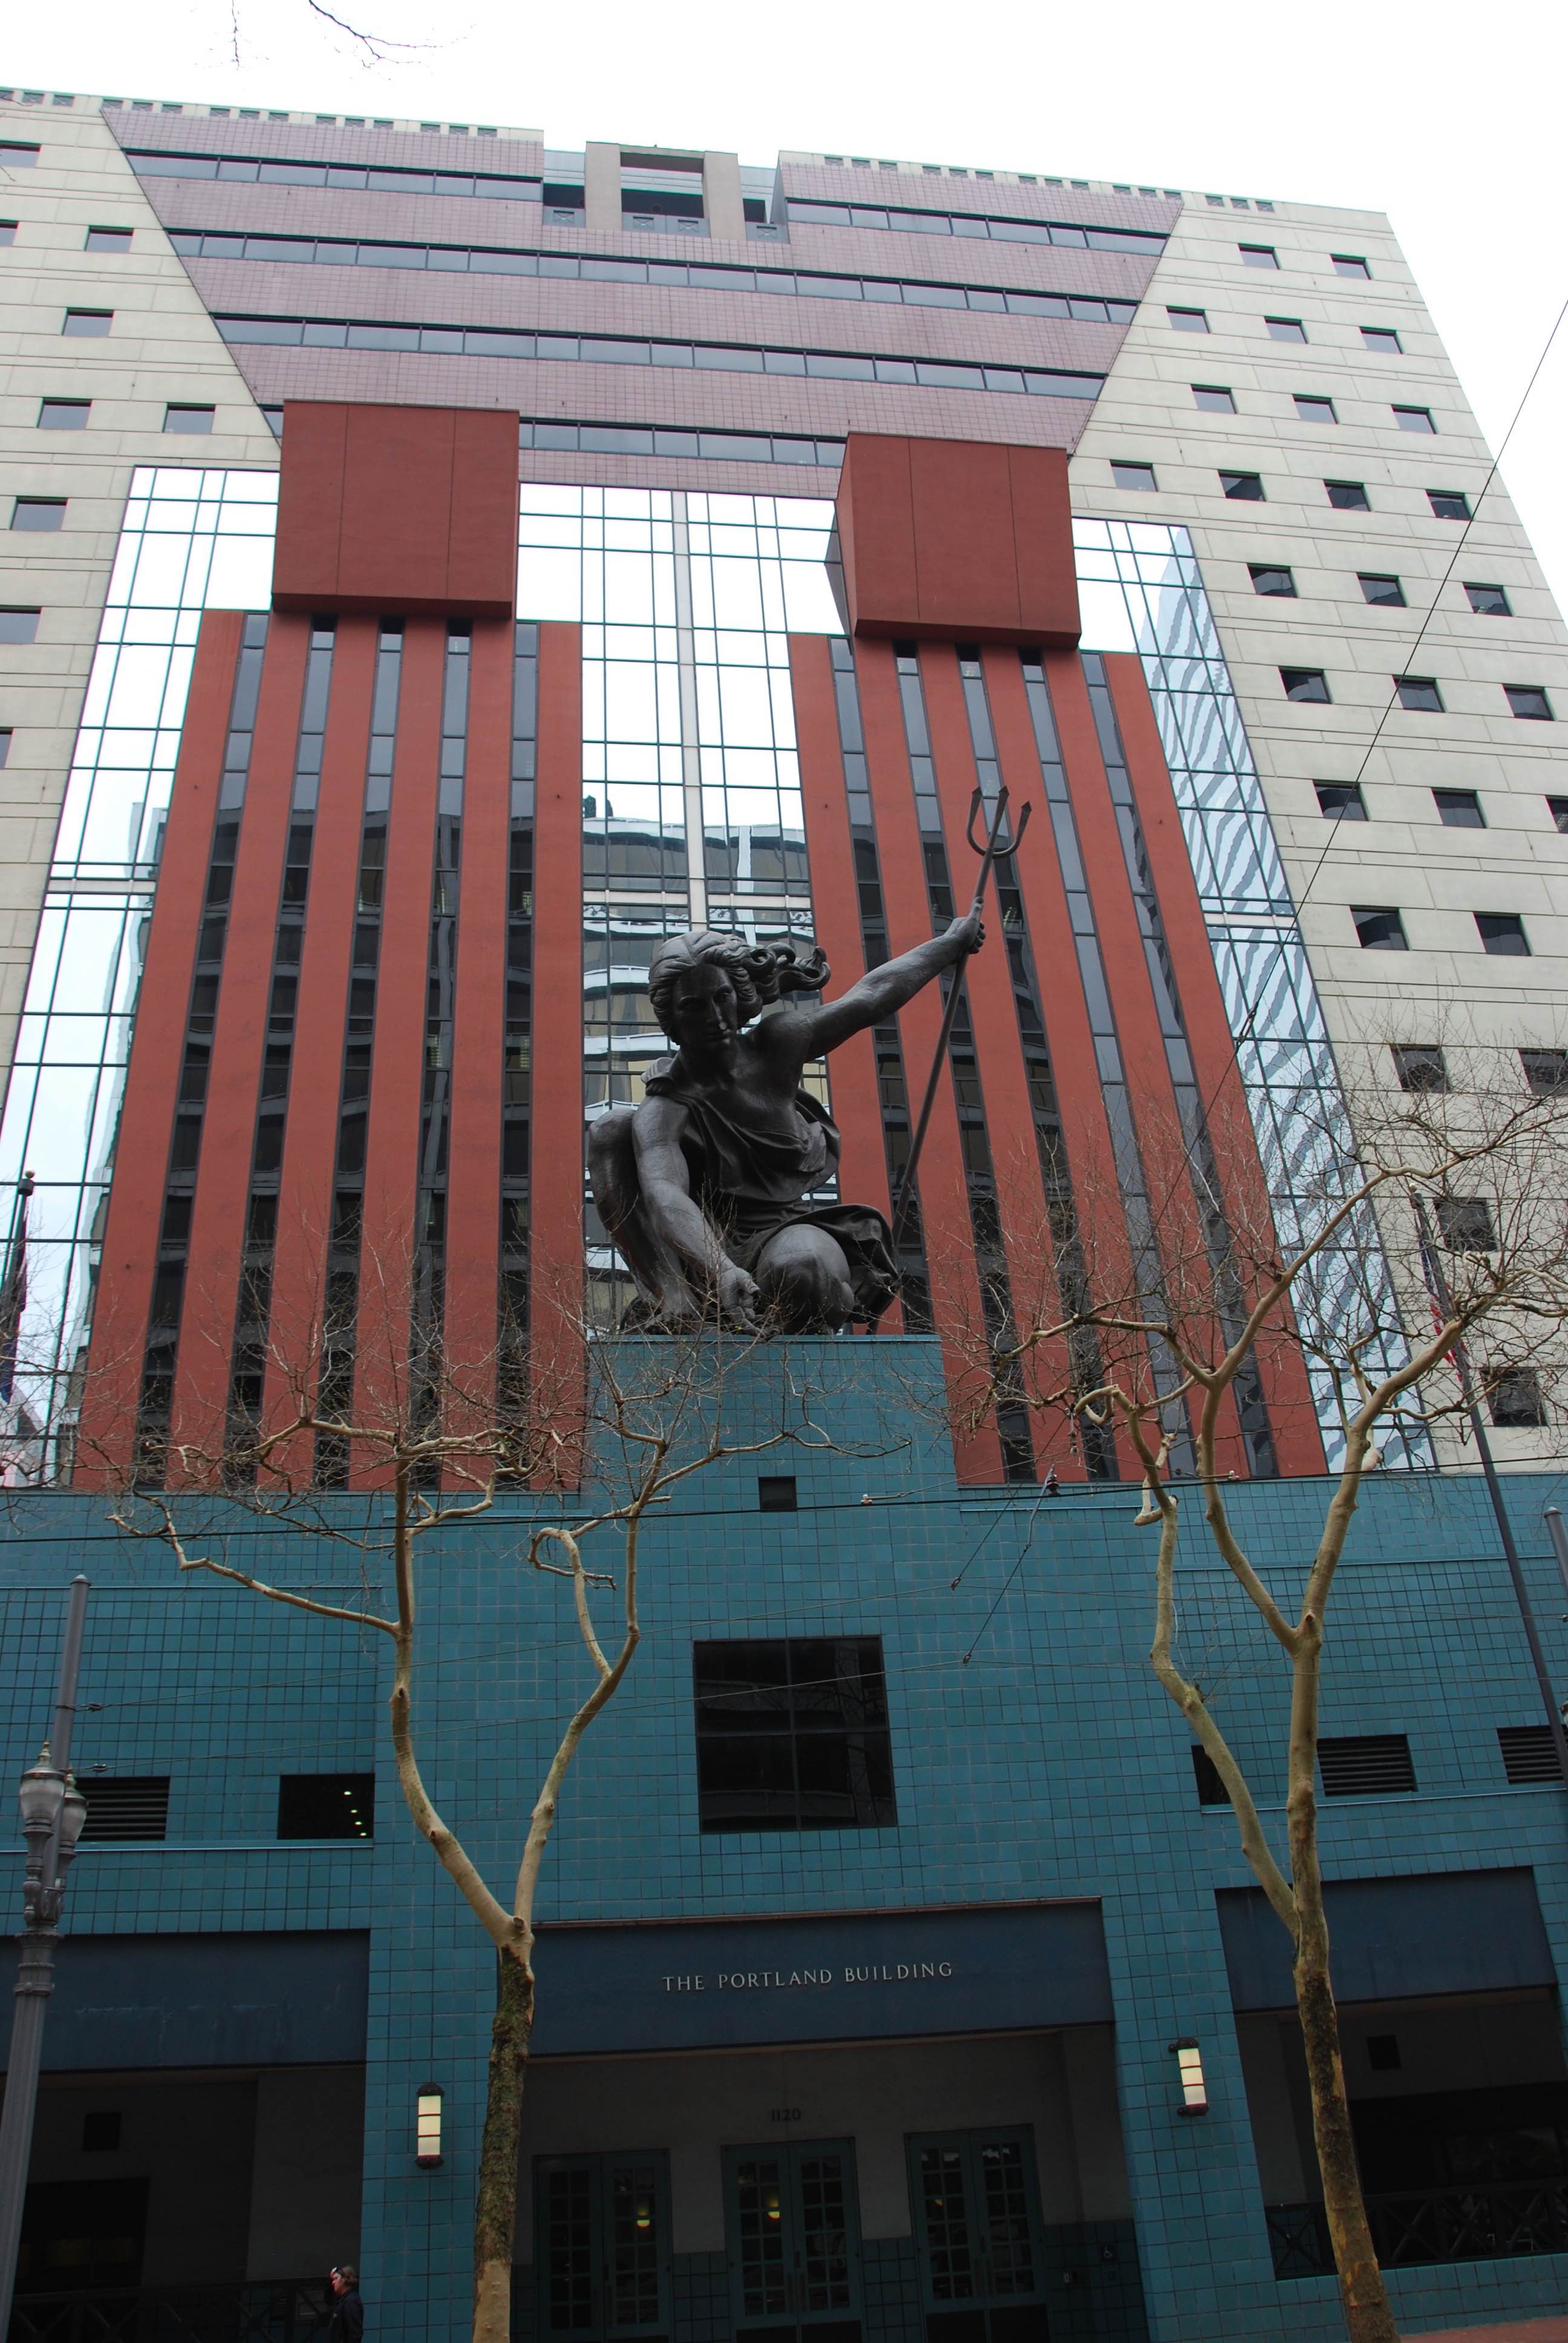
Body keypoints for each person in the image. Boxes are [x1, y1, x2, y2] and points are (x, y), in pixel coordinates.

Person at [587, 911, 984, 1332]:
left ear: (739, 995)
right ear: (673, 1019)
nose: (714, 1017)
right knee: (612, 1128)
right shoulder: (665, 1107)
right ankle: (675, 1302)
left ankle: (805, 1313)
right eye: (694, 1007)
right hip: (703, 1252)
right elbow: (664, 1193)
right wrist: (719, 1268)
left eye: (721, 998)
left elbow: (871, 997)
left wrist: (950, 944)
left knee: (807, 1271)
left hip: (784, 1232)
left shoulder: (778, 1044)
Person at [328, 2266, 364, 2343]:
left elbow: (355, 2334)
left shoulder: (351, 2302)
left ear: (344, 2280)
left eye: (336, 2278)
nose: (333, 2282)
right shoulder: (345, 2301)